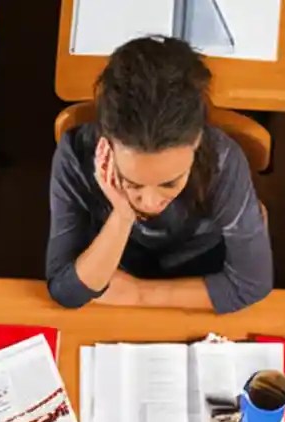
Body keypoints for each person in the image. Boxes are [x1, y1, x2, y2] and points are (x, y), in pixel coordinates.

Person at [46, 36, 273, 314]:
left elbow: (251, 285)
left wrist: (139, 294)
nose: (149, 202)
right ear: (107, 144)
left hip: (200, 267)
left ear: (196, 141)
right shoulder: (76, 154)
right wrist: (122, 216)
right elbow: (66, 290)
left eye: (170, 182)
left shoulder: (223, 160)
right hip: (117, 256)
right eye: (131, 182)